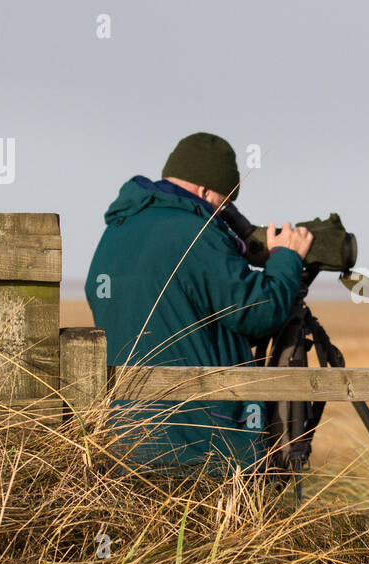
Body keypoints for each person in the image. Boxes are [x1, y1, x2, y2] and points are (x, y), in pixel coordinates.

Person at [85, 132, 312, 469]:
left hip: (122, 431)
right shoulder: (195, 234)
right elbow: (258, 313)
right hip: (198, 440)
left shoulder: (117, 230)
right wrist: (286, 259)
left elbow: (181, 316)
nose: (226, 212)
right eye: (226, 199)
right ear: (205, 190)